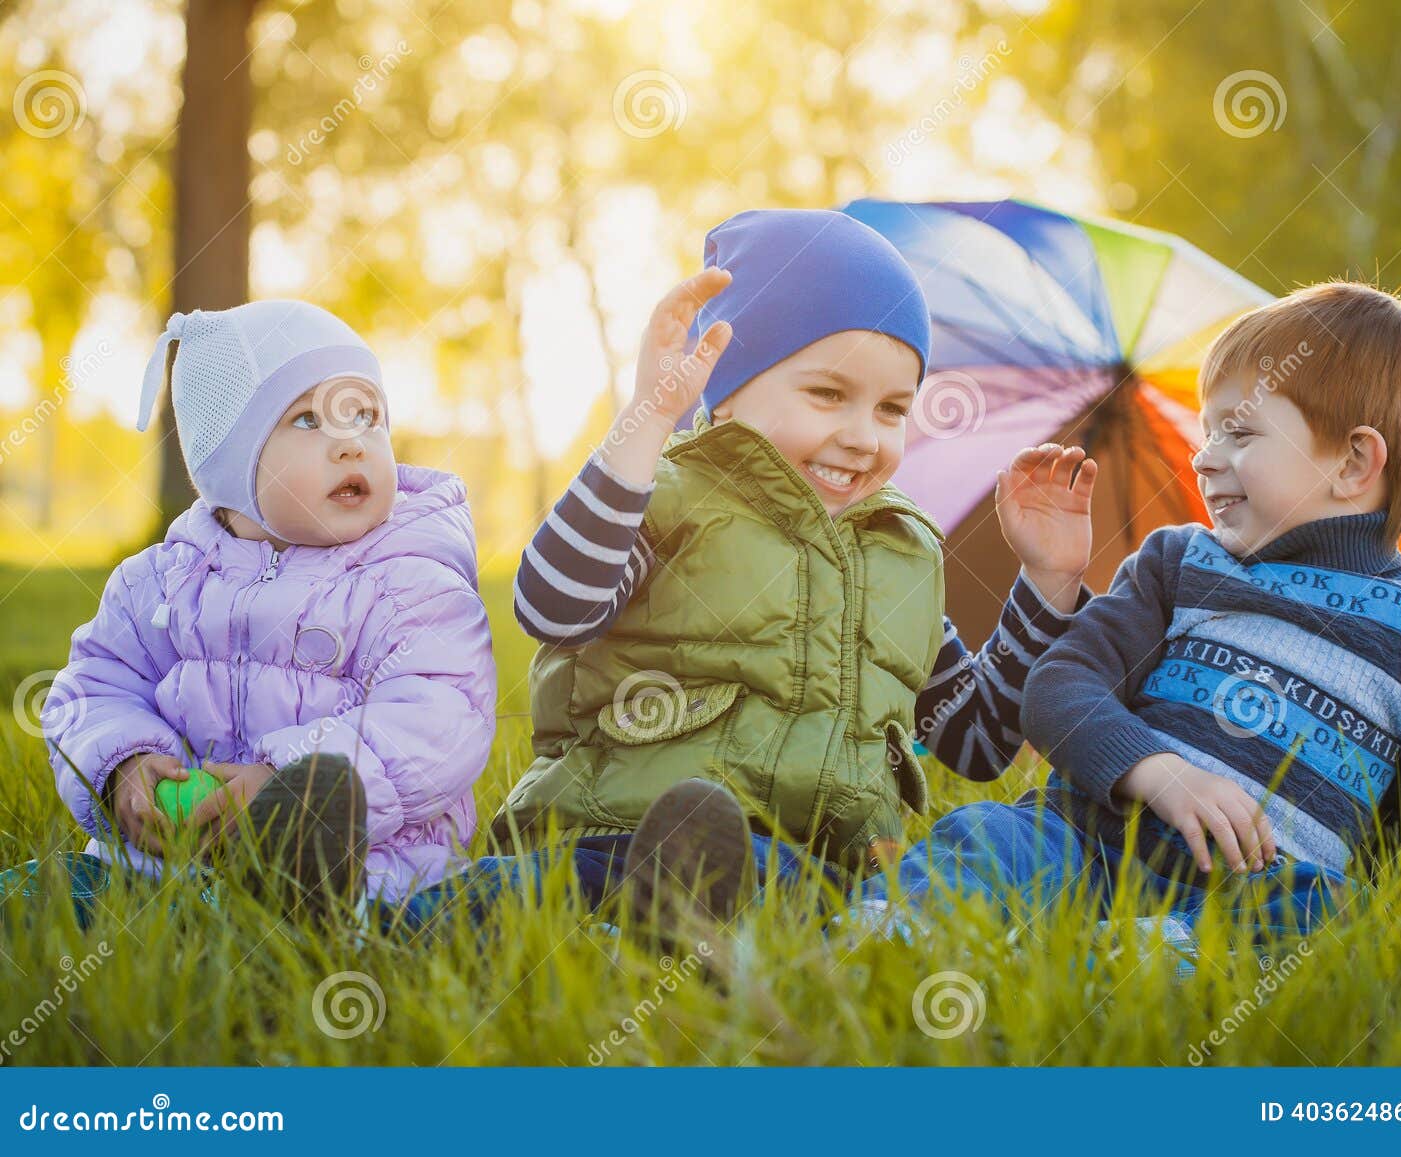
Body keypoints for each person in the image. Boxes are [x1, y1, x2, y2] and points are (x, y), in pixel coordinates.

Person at [490, 208, 1098, 929]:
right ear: (725, 384)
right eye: (828, 394)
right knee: (502, 897)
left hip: (803, 872)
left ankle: (676, 938)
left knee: (795, 900)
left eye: (893, 408)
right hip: (610, 834)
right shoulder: (668, 498)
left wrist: (1048, 583)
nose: (862, 435)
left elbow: (976, 741)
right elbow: (556, 606)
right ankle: (353, 903)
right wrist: (646, 423)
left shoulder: (899, 555)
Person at [846, 281, 1401, 946]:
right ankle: (888, 930)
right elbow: (1058, 688)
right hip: (1091, 837)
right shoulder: (1181, 564)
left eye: (1238, 432)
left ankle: (1152, 952)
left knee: (1335, 913)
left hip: (1256, 882)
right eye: (1208, 432)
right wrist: (1156, 769)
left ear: (1354, 462)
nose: (1204, 456)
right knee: (994, 836)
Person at [1, 301, 497, 926]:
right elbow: (95, 689)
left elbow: (441, 715)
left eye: (365, 415)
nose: (350, 444)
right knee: (39, 897)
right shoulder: (158, 583)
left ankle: (305, 898)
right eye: (308, 419)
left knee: (434, 921)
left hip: (369, 869)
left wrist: (283, 782)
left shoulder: (412, 578)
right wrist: (121, 766)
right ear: (231, 460)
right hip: (166, 862)